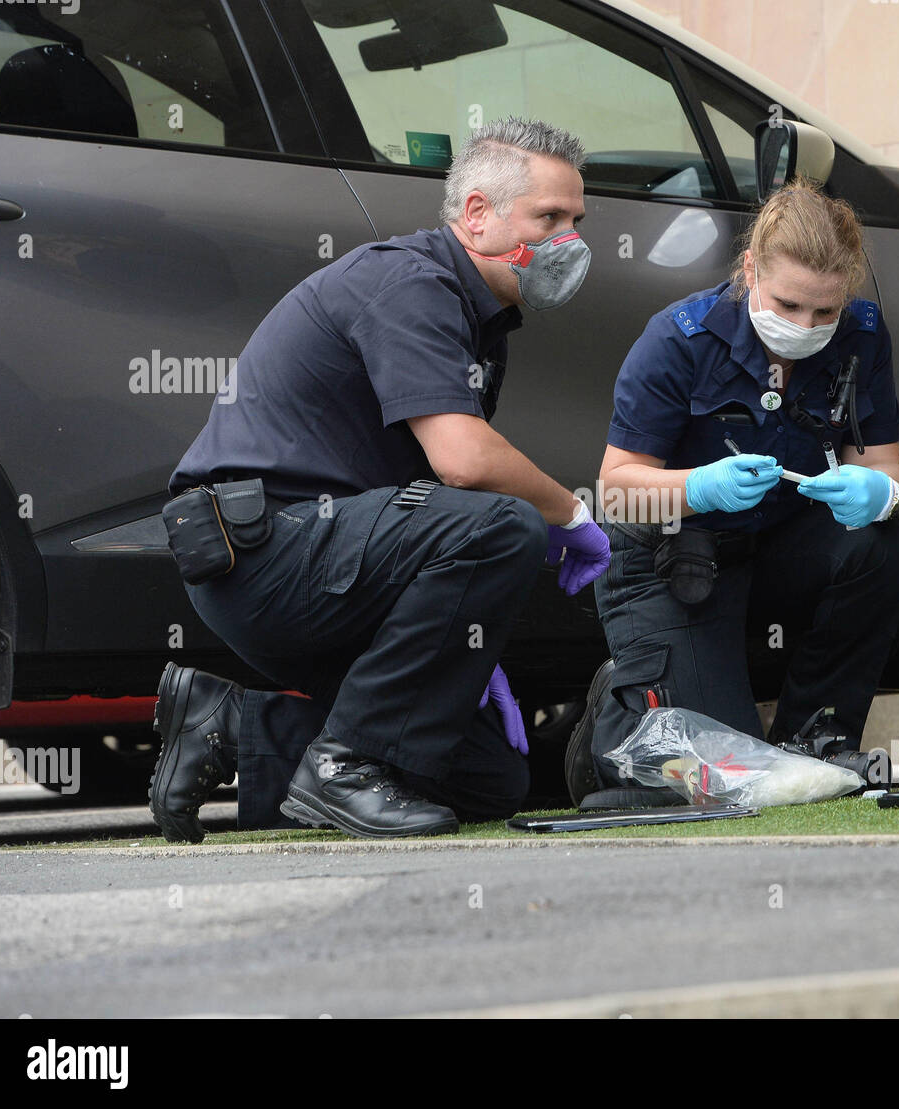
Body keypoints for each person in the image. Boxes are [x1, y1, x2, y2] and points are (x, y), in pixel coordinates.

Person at [151, 117, 609, 842]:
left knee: (487, 775)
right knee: (508, 522)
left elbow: (439, 495)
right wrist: (571, 517)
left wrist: (460, 632)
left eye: (577, 221)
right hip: (266, 551)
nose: (569, 242)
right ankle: (346, 765)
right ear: (477, 215)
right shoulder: (411, 281)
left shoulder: (479, 316)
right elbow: (463, 460)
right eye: (548, 218)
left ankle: (231, 724)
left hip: (324, 553)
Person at [569, 178, 899, 804]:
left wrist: (879, 492)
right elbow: (618, 493)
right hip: (676, 557)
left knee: (893, 547)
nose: (807, 325)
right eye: (789, 305)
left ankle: (814, 738)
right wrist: (700, 487)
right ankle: (618, 714)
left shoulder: (862, 334)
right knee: (725, 781)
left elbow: (888, 467)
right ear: (749, 271)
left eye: (826, 310)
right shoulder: (677, 339)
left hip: (778, 545)